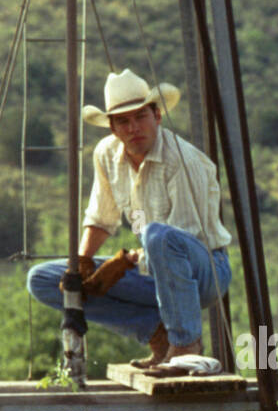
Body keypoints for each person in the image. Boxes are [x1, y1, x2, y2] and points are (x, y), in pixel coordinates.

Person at [26, 68, 232, 367]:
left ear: (157, 116)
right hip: (151, 272)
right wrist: (82, 265)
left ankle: (186, 344)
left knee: (156, 236)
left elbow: (182, 239)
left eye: (140, 117)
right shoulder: (106, 154)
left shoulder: (183, 161)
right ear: (112, 128)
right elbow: (100, 216)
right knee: (44, 279)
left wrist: (124, 263)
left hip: (203, 272)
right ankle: (156, 333)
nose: (133, 127)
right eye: (123, 121)